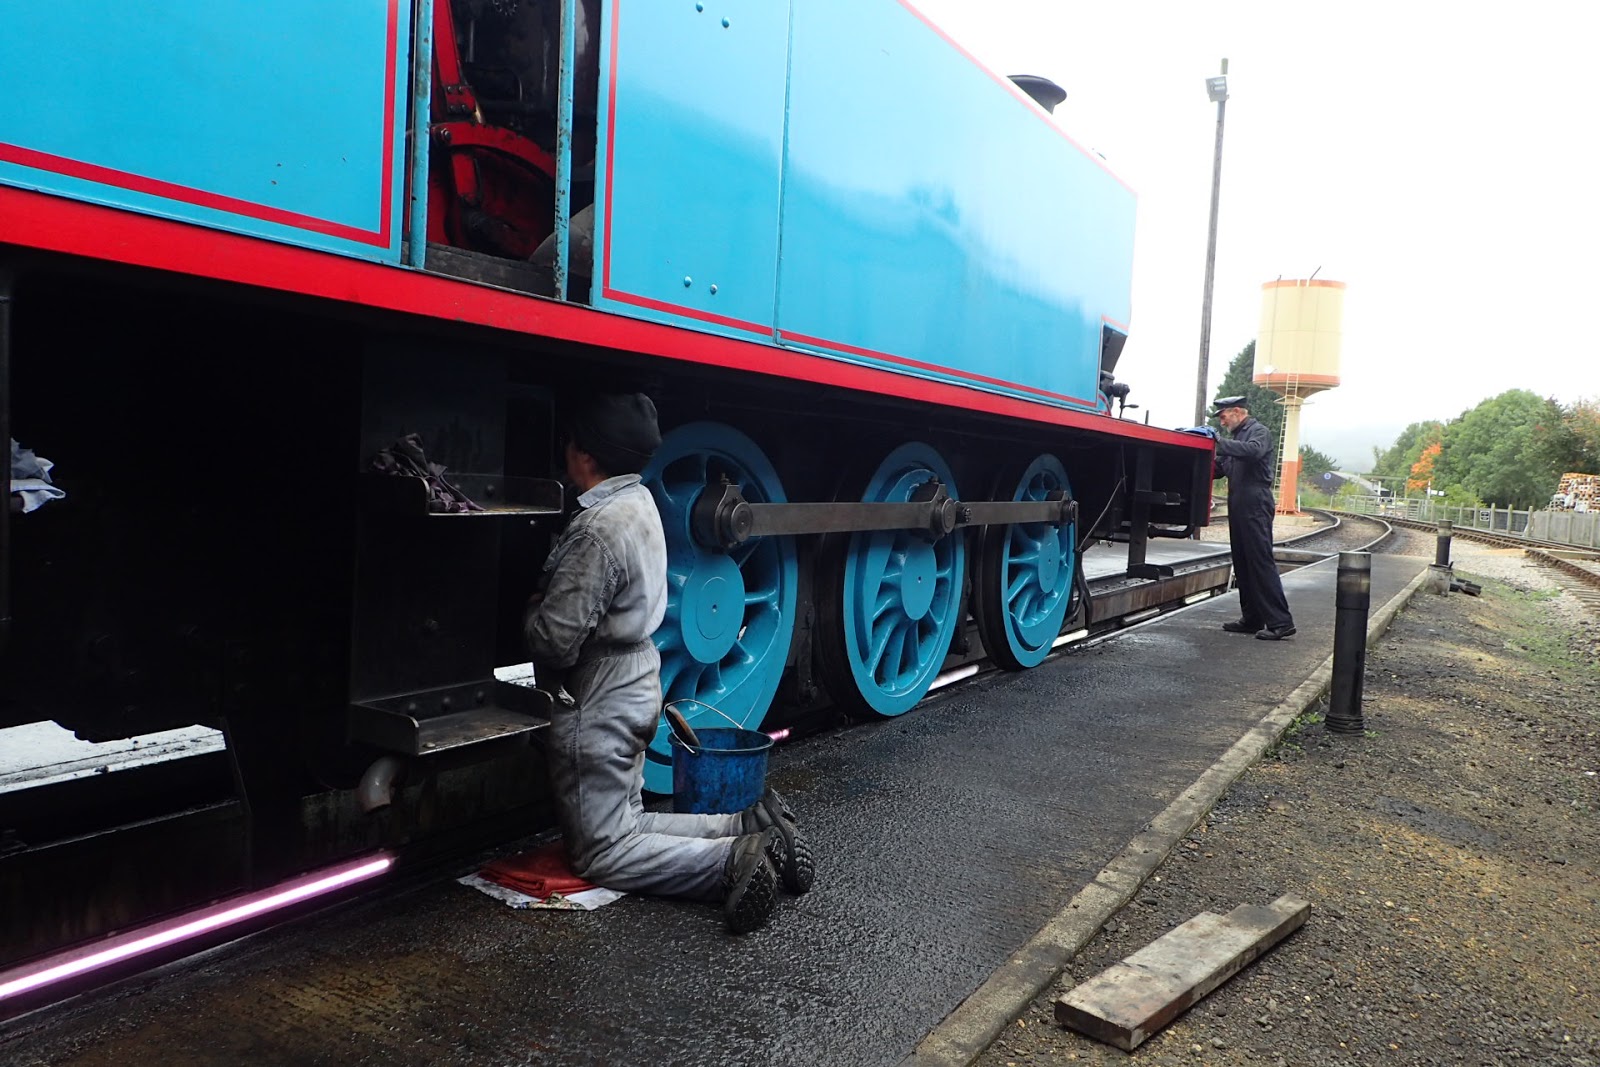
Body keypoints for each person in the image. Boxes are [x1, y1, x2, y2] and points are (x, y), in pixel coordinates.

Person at [524, 393, 813, 934]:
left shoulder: (595, 529)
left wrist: (533, 605)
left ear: (584, 455)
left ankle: (728, 863)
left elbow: (555, 642)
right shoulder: (640, 505)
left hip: (599, 691)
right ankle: (746, 822)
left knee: (602, 853)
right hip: (640, 679)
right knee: (627, 819)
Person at [1210, 396, 1296, 640]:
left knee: (1259, 560)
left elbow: (1254, 452)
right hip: (1238, 502)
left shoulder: (1259, 432)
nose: (1222, 421)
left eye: (1224, 416)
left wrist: (1220, 443)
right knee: (1243, 562)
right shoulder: (1235, 439)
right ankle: (1252, 618)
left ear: (1238, 411)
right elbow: (1218, 467)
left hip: (1256, 500)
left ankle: (1281, 622)